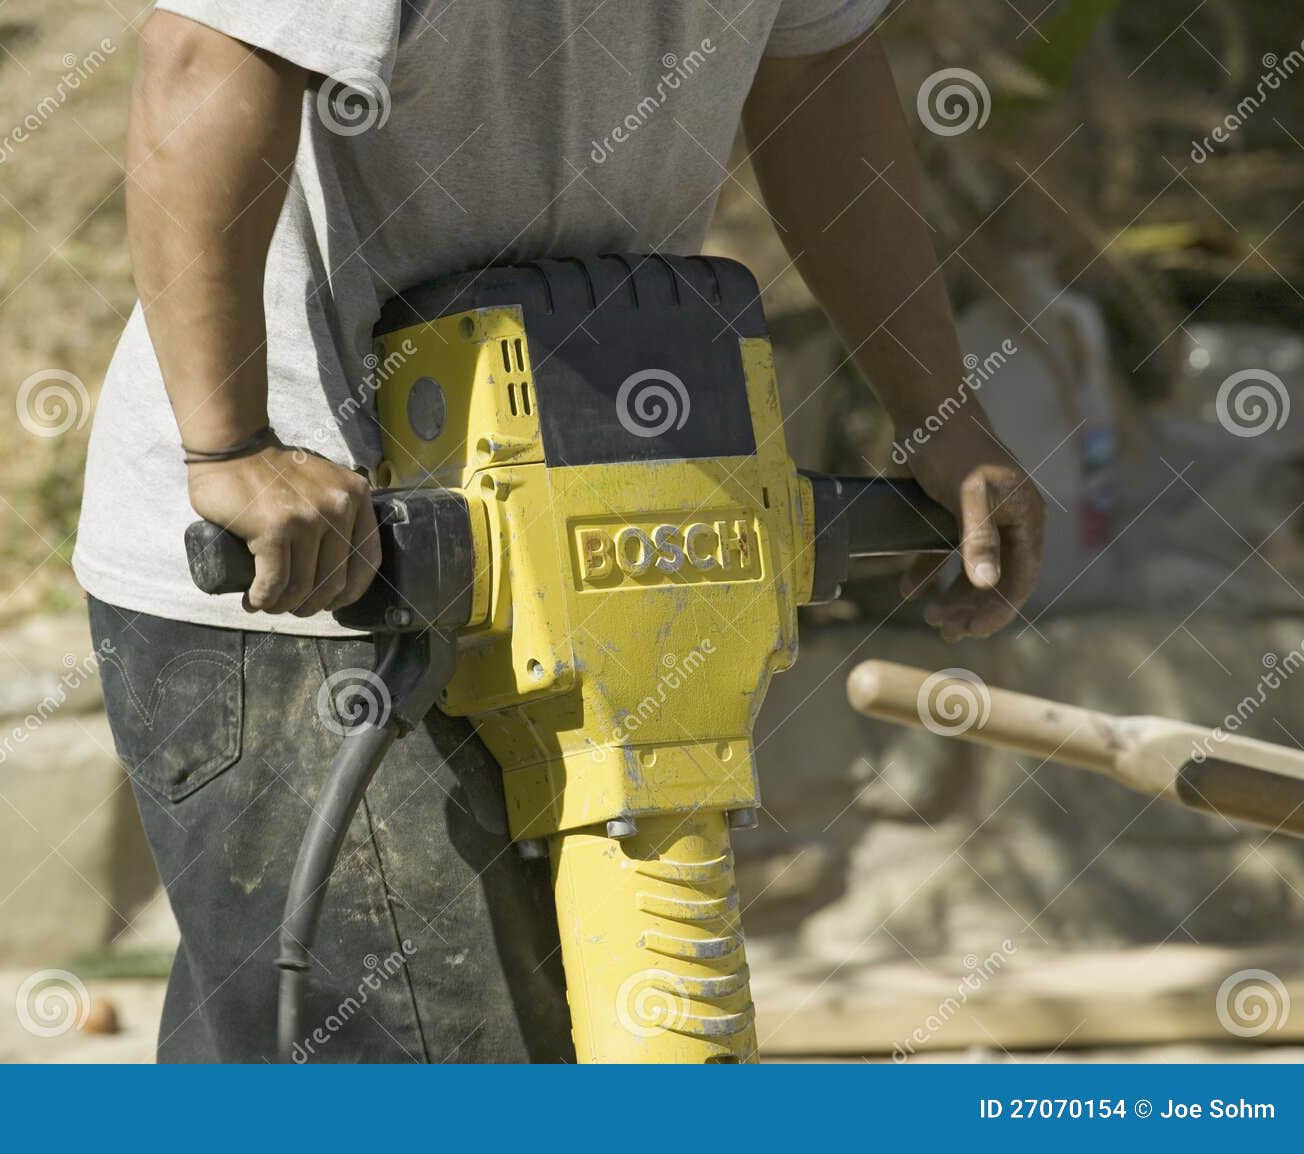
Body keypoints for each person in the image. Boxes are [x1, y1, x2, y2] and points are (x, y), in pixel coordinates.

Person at [74, 0, 1047, 1063]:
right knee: (446, 1056)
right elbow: (200, 57)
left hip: (587, 491)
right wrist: (230, 447)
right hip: (326, 570)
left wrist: (939, 411)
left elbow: (813, 75)